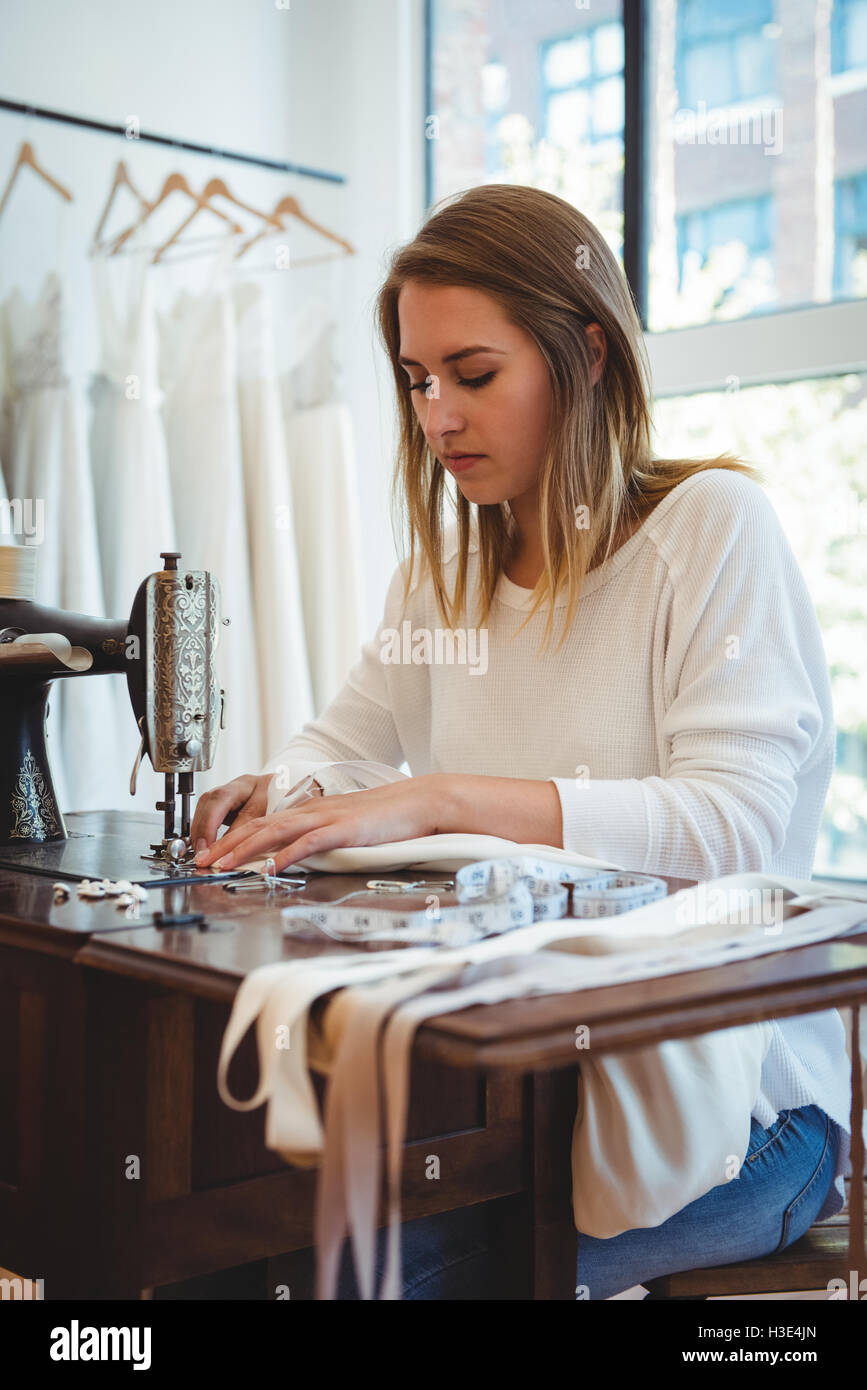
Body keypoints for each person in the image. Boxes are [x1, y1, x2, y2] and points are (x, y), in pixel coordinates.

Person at [189, 184, 850, 1299]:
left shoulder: (712, 532)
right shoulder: (438, 581)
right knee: (230, 1247)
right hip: (534, 1098)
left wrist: (441, 797)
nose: (437, 414)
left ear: (585, 355)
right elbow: (339, 745)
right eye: (417, 380)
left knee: (346, 1281)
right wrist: (278, 789)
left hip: (752, 1118)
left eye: (474, 374)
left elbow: (729, 825)